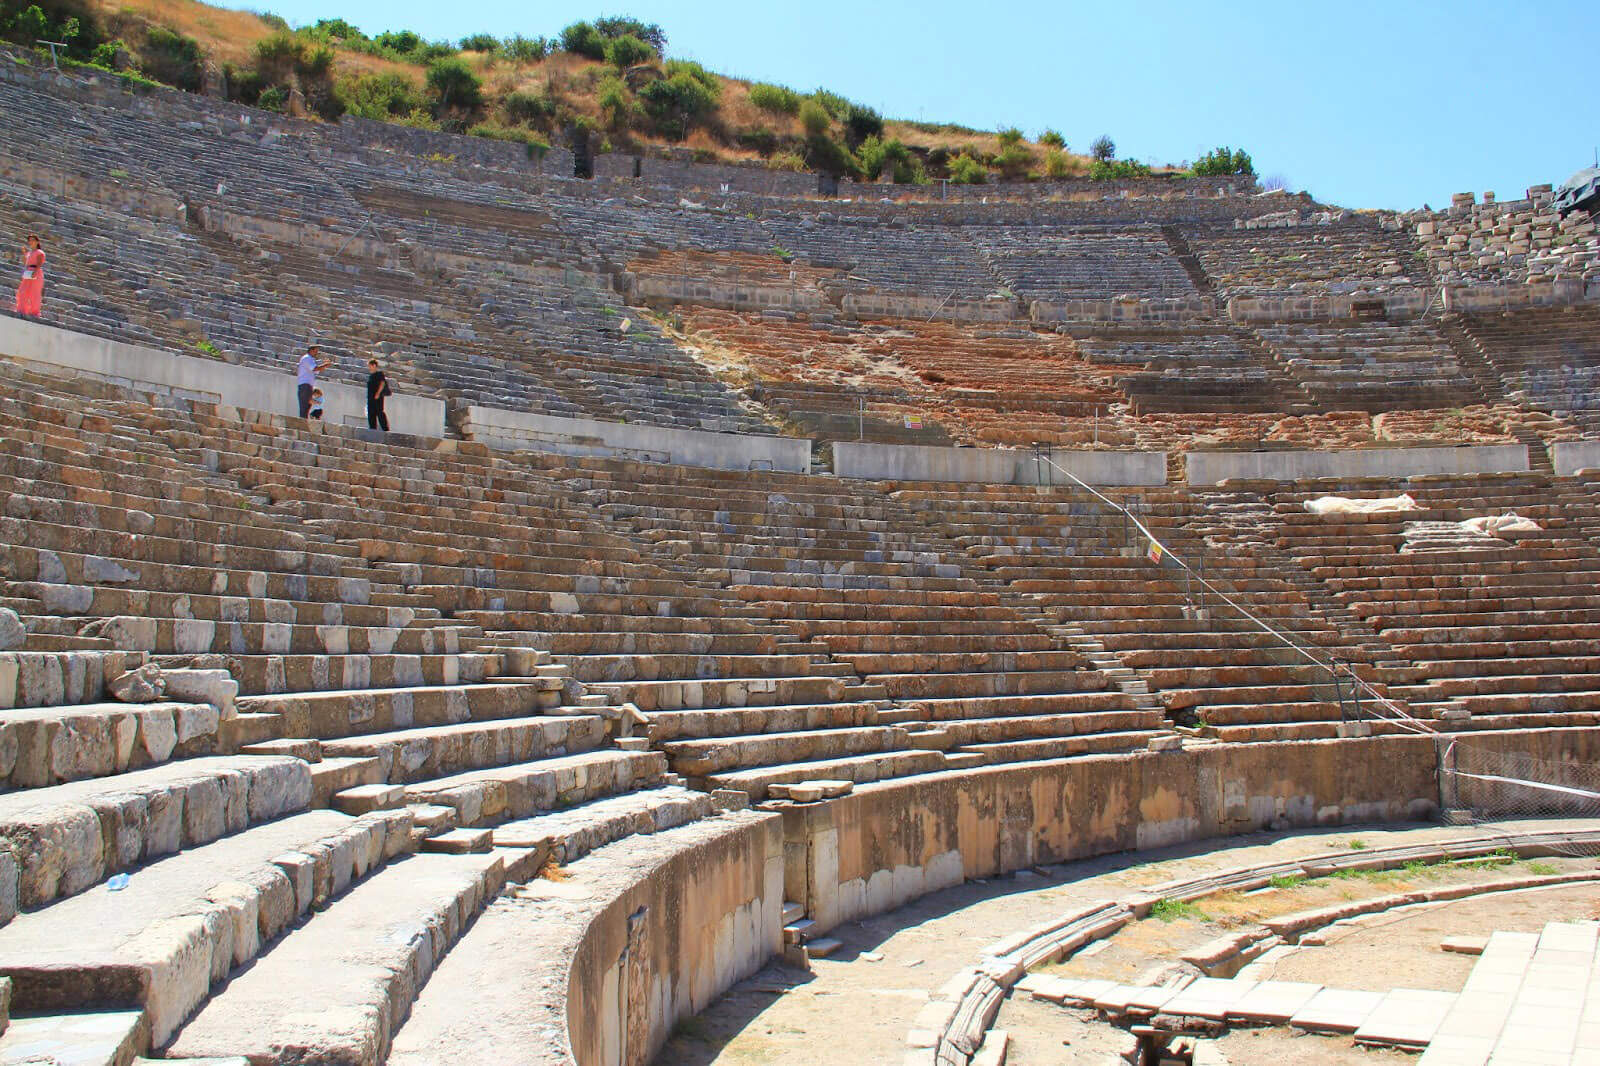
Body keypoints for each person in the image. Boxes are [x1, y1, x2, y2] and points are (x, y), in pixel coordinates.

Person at [296, 344, 332, 418]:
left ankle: (303, 423)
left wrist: (325, 366)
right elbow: (315, 368)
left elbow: (317, 370)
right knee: (304, 406)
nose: (316, 353)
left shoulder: (311, 359)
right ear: (311, 350)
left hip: (308, 385)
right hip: (305, 385)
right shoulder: (307, 358)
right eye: (316, 351)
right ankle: (302, 424)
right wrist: (325, 365)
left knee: (307, 407)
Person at [13, 235, 44, 318]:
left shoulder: (39, 252)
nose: (31, 242)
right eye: (30, 240)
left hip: (35, 272)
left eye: (33, 240)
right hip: (28, 273)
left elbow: (40, 263)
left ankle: (34, 312)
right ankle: (21, 309)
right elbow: (25, 263)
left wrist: (35, 272)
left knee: (34, 293)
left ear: (37, 242)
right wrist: (24, 254)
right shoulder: (29, 253)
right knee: (22, 291)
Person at [366, 358, 392, 431]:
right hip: (370, 398)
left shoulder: (379, 374)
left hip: (377, 397)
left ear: (374, 365)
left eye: (370, 366)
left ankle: (385, 429)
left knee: (379, 413)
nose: (369, 368)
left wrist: (378, 393)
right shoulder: (371, 376)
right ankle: (372, 429)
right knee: (371, 414)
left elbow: (382, 383)